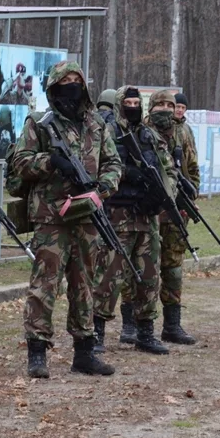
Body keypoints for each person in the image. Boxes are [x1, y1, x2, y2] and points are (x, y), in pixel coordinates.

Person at [9, 61, 121, 379]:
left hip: (88, 215)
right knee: (45, 285)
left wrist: (102, 191)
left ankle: (85, 351)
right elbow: (20, 162)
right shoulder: (39, 123)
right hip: (52, 216)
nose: (71, 85)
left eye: (76, 80)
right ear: (54, 85)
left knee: (85, 284)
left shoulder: (96, 123)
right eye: (65, 80)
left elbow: (113, 162)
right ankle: (37, 353)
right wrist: (51, 161)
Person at [98, 87, 177, 356]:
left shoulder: (150, 136)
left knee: (149, 276)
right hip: (117, 216)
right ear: (119, 104)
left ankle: (146, 332)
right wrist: (127, 174)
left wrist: (162, 196)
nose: (132, 106)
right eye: (127, 102)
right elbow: (99, 169)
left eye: (135, 102)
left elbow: (168, 172)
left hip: (147, 218)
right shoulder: (106, 134)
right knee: (110, 275)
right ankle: (96, 335)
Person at [158, 91, 199, 344]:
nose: (173, 110)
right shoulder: (144, 131)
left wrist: (190, 197)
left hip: (177, 208)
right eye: (163, 105)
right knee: (143, 268)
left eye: (174, 106)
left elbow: (192, 167)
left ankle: (172, 325)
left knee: (173, 266)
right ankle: (134, 325)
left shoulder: (184, 133)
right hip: (151, 210)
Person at [91, 88, 121, 353]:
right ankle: (94, 332)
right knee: (107, 274)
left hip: (105, 209)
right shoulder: (104, 128)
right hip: (104, 211)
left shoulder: (99, 126)